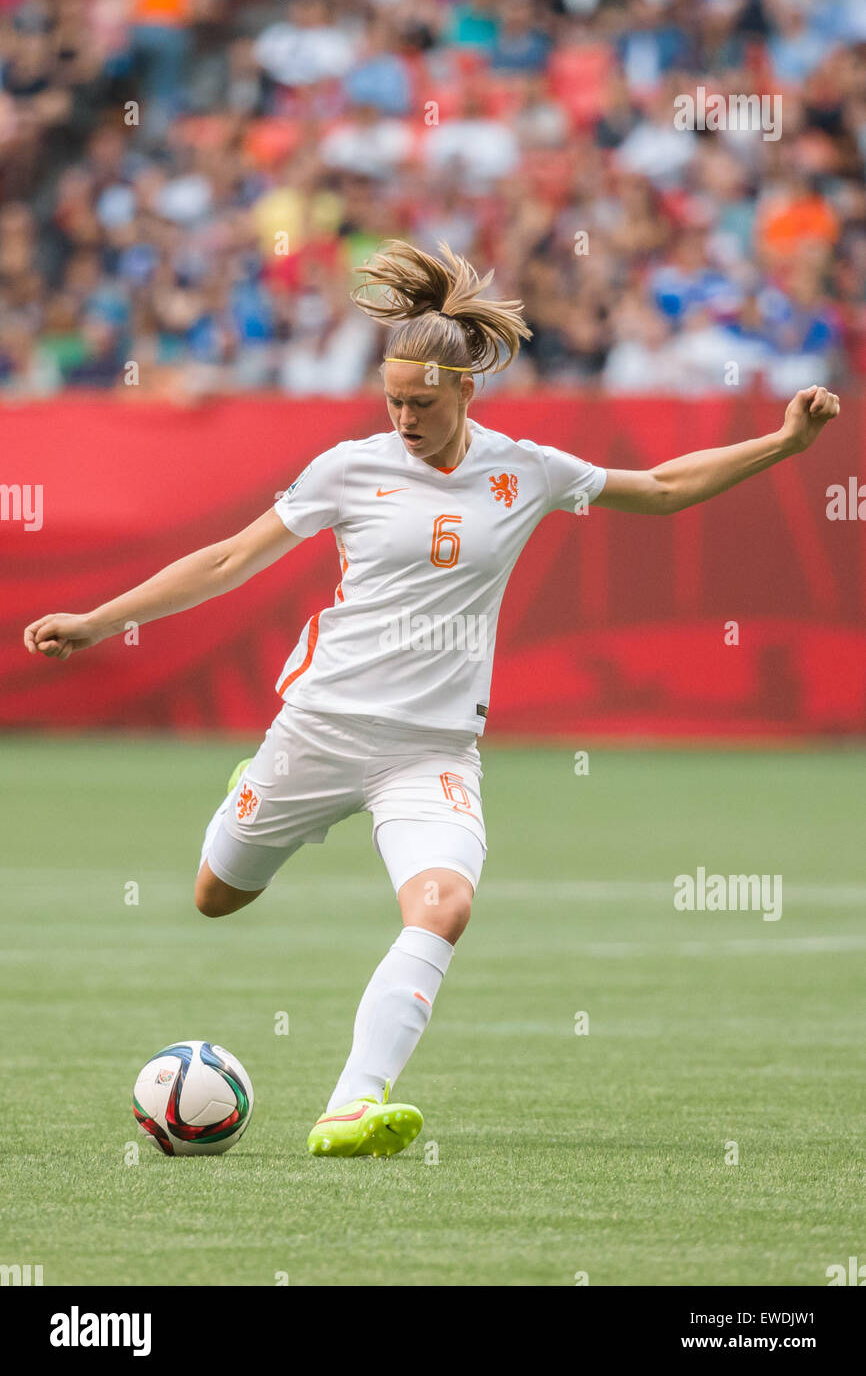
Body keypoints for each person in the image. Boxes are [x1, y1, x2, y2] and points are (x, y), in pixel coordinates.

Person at [23, 240, 841, 1158]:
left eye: (421, 402)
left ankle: (349, 1107)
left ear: (465, 393)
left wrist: (785, 443)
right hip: (320, 728)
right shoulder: (349, 468)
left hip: (433, 748)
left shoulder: (522, 470)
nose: (405, 418)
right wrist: (98, 620)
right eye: (393, 401)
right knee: (217, 896)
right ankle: (252, 790)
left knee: (444, 902)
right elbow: (225, 559)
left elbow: (657, 488)